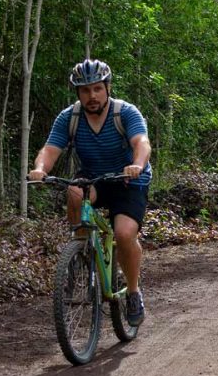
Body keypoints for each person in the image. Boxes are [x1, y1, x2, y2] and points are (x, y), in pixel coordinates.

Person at [28, 59, 152, 326]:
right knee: (74, 191)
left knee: (124, 233)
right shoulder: (70, 117)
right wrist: (39, 169)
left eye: (97, 89)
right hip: (94, 177)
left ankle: (133, 291)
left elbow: (141, 142)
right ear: (78, 93)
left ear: (107, 88)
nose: (91, 96)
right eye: (85, 90)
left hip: (127, 179)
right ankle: (81, 252)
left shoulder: (125, 112)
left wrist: (137, 165)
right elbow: (50, 150)